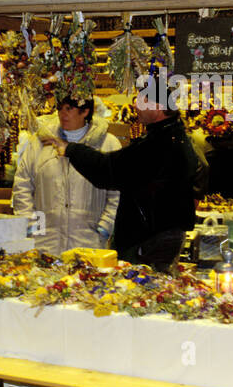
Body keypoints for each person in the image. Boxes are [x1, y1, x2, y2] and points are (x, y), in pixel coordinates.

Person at [41, 75, 201, 271]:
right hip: (158, 236)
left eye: (141, 100)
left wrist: (71, 150)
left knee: (143, 292)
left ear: (156, 106)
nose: (135, 106)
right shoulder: (173, 137)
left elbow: (109, 170)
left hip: (150, 240)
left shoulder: (160, 144)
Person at [12, 97, 120, 256]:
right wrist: (32, 224)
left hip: (89, 244)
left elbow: (117, 191)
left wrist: (105, 226)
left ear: (85, 111)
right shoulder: (40, 143)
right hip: (46, 245)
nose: (62, 114)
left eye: (69, 109)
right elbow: (23, 185)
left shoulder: (107, 144)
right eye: (60, 108)